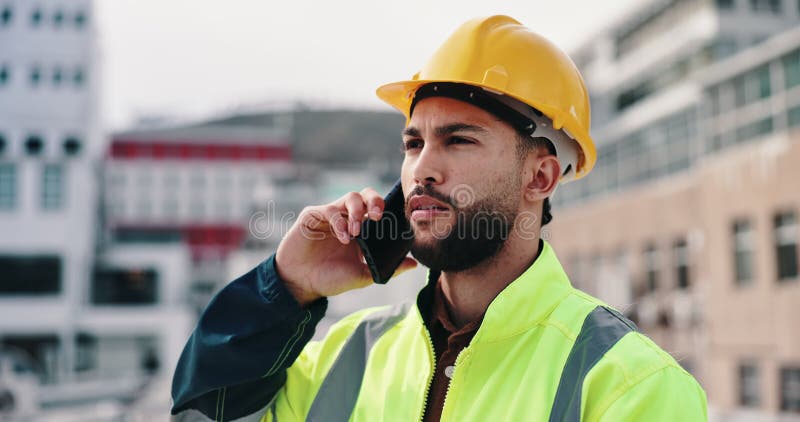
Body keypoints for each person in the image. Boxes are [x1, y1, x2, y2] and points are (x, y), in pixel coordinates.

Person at [171, 15, 707, 421]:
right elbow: (202, 412)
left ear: (540, 178)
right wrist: (285, 288)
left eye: (458, 139)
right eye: (413, 143)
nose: (420, 169)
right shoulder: (342, 358)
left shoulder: (632, 385)